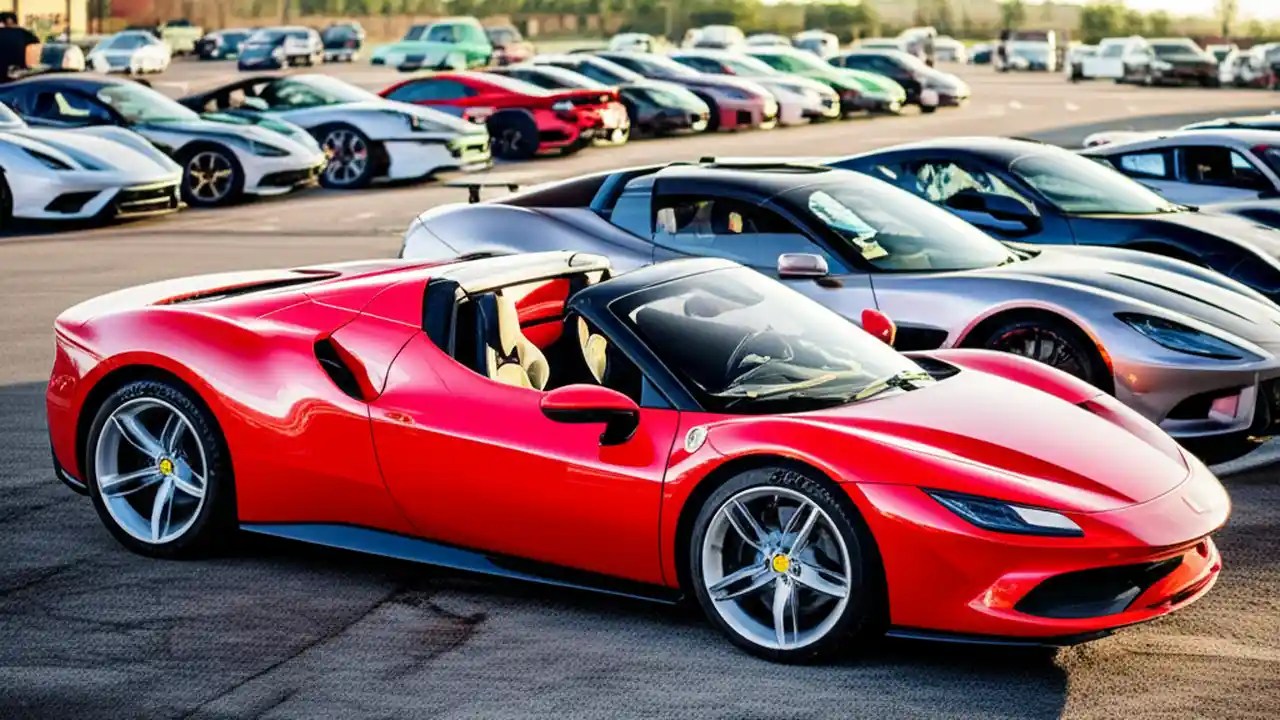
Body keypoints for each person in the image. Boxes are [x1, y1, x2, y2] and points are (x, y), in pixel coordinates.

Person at [0, 12, 41, 81]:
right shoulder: (23, 33)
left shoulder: (4, 32)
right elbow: (36, 42)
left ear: (9, 20)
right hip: (18, 72)